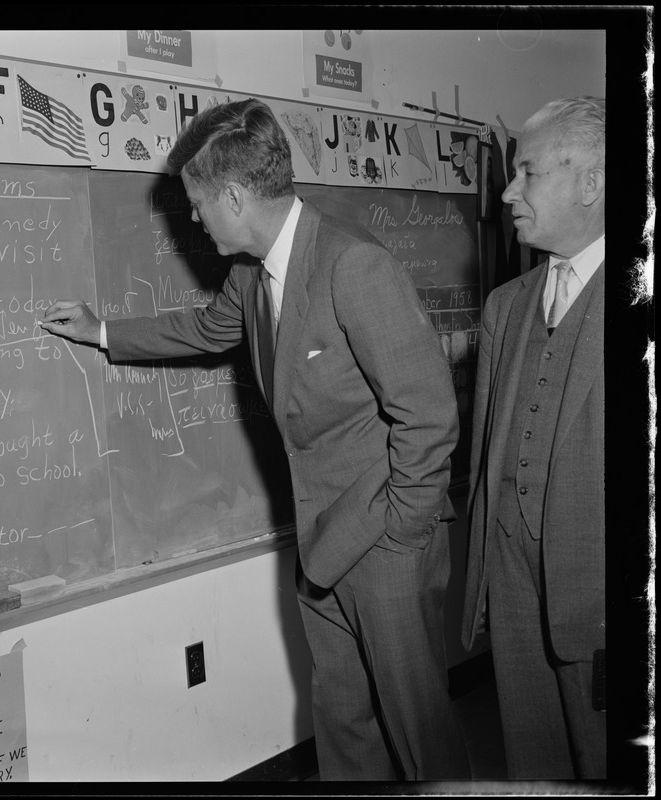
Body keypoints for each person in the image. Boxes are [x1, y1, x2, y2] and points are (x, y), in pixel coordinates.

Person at [41, 98, 469, 781]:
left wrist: (401, 531)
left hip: (385, 544)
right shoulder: (252, 272)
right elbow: (208, 331)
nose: (192, 217)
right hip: (323, 541)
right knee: (344, 726)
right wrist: (102, 331)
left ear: (235, 196)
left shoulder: (354, 268)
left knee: (421, 739)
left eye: (198, 202)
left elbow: (429, 417)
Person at [461, 96, 606, 780]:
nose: (507, 191)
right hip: (514, 595)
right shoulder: (505, 306)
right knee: (533, 764)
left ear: (591, 181)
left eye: (527, 172)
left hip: (604, 607)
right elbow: (488, 454)